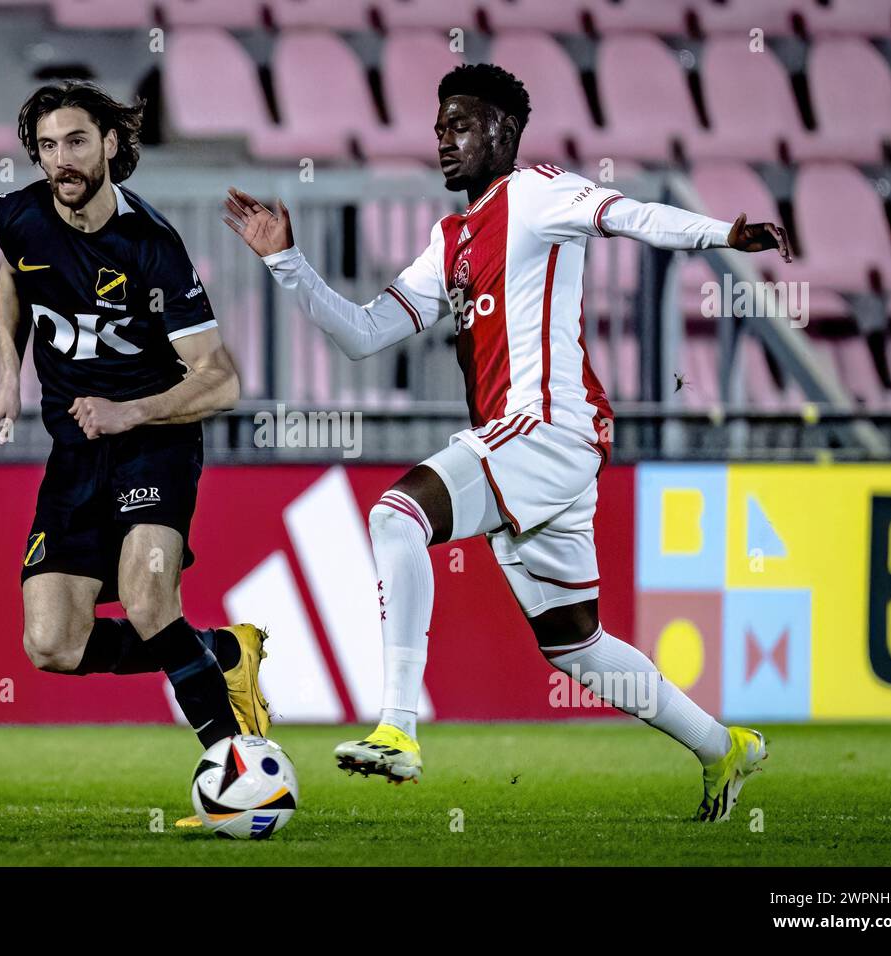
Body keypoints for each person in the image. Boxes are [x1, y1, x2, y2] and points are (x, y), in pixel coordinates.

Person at [224, 64, 790, 822]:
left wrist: (721, 234)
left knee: (398, 515)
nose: (445, 141)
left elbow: (632, 216)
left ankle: (399, 725)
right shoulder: (450, 238)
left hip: (548, 426)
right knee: (574, 645)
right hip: (536, 444)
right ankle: (724, 746)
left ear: (506, 132)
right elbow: (363, 335)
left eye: (461, 125)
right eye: (438, 128)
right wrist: (285, 263)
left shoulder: (539, 192)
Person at [0, 82, 270, 826]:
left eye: (76, 141)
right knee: (52, 645)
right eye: (45, 146)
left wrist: (128, 410)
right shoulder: (20, 215)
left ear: (110, 144)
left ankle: (237, 772)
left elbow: (223, 380)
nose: (60, 160)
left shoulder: (151, 247)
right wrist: (9, 374)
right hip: (74, 453)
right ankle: (220, 654)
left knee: (145, 598)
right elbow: (13, 275)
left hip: (154, 443)